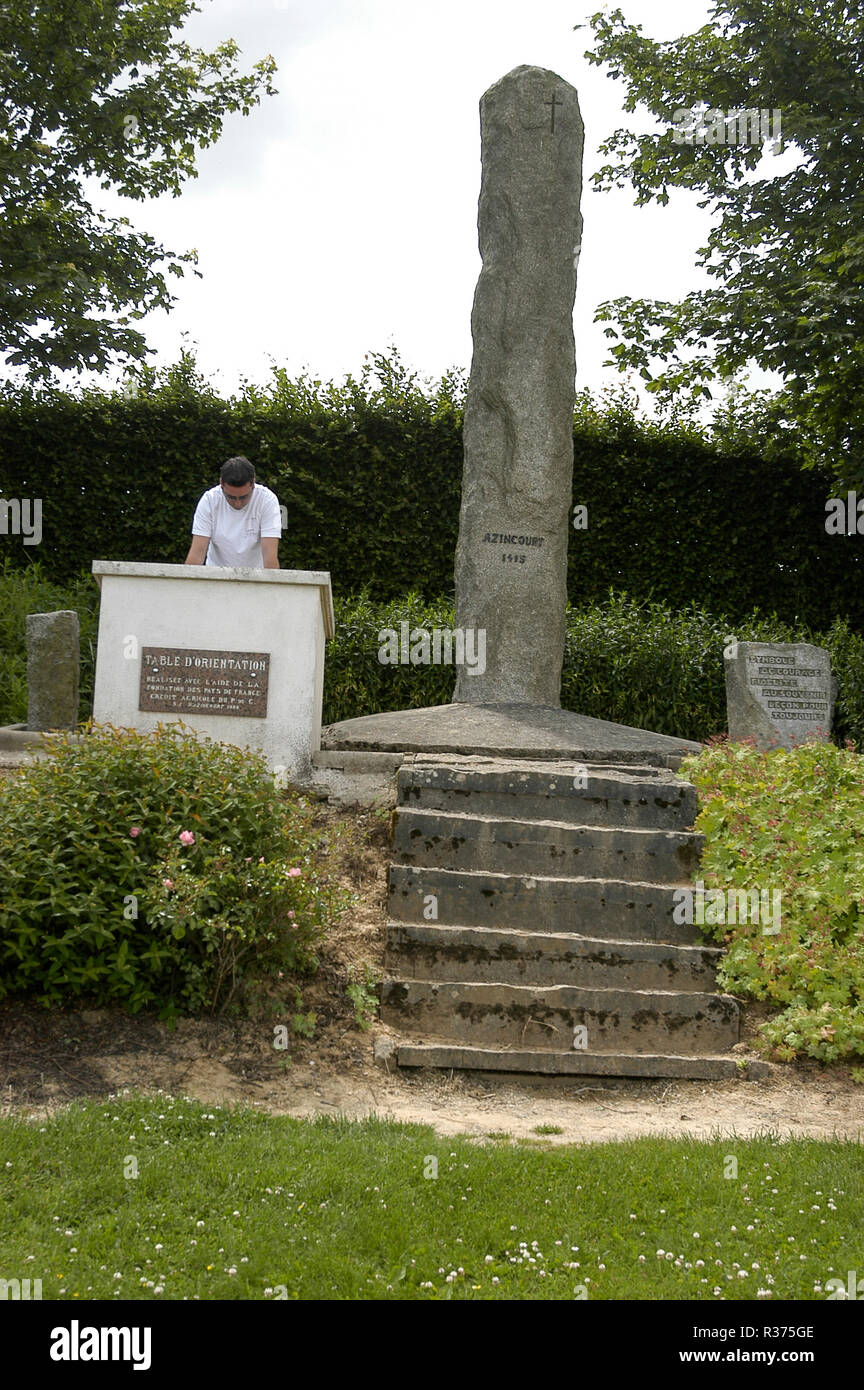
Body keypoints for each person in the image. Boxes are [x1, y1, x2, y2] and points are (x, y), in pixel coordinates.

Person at [184, 457, 282, 568]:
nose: (238, 503)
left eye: (244, 497)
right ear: (221, 483)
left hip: (256, 578)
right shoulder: (209, 500)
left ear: (253, 483)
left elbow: (270, 556)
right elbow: (197, 553)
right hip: (216, 576)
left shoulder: (268, 500)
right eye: (231, 497)